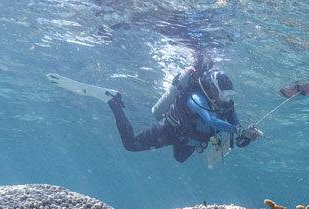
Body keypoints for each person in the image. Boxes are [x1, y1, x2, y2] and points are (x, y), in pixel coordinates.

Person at [107, 65, 263, 163]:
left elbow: (236, 125)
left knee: (180, 158)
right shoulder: (196, 98)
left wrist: (244, 136)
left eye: (229, 96)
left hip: (191, 139)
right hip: (170, 130)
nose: (226, 100)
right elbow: (212, 121)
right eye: (224, 95)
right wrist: (240, 131)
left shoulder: (226, 103)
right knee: (131, 145)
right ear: (212, 88)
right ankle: (113, 102)